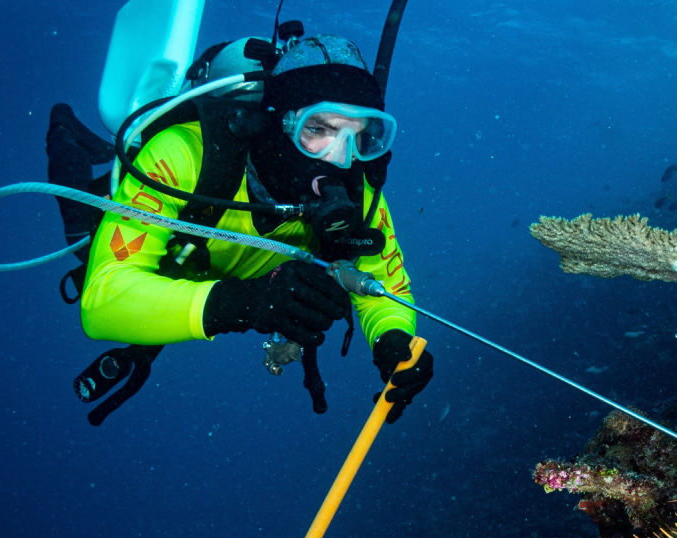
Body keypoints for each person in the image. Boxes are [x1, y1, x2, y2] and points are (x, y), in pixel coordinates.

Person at [48, 33, 433, 423]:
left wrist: (394, 339)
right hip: (172, 256)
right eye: (317, 129)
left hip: (220, 275)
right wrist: (246, 303)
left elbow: (386, 285)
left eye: (359, 136)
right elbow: (103, 300)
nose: (339, 158)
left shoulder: (357, 190)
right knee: (80, 234)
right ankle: (64, 135)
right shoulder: (181, 154)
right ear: (277, 123)